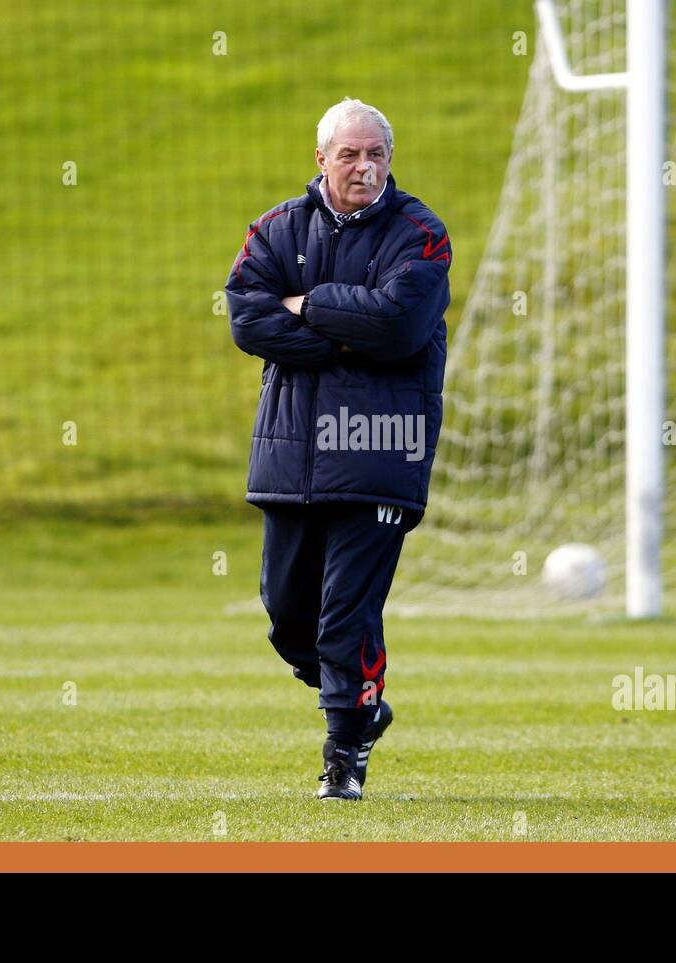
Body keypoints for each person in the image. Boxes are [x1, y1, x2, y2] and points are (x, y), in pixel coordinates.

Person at [225, 97, 452, 800]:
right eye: (349, 154)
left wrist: (304, 304)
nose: (364, 166)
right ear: (319, 158)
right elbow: (246, 316)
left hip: (382, 451)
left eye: (376, 153)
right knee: (287, 614)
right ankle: (361, 703)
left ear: (391, 158)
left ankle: (344, 756)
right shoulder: (273, 229)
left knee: (344, 616)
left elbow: (400, 325)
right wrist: (349, 321)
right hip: (291, 454)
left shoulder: (422, 233)